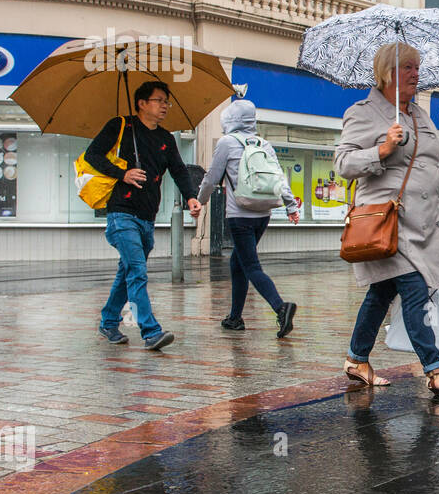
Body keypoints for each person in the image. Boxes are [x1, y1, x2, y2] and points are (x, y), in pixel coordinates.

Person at [334, 43, 439, 394]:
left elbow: (433, 168)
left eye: (417, 67)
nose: (416, 73)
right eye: (408, 67)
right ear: (387, 72)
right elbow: (343, 165)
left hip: (426, 224)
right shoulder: (363, 112)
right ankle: (435, 369)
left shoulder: (418, 114)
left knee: (382, 293)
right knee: (413, 288)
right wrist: (381, 149)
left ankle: (356, 358)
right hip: (389, 222)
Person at [84, 81, 201, 350]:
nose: (165, 107)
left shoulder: (166, 139)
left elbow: (179, 170)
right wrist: (121, 173)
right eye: (159, 100)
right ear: (142, 103)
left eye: (167, 102)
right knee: (137, 271)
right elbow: (93, 155)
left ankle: (108, 321)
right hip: (121, 213)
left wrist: (191, 196)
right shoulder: (120, 126)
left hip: (147, 216)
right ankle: (151, 332)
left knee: (127, 271)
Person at [195, 99, 300, 336]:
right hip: (263, 214)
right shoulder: (264, 144)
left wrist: (199, 201)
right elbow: (280, 178)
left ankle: (281, 307)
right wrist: (291, 206)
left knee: (251, 266)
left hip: (240, 214)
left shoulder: (226, 142)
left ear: (229, 119)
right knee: (238, 263)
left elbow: (212, 177)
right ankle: (235, 318)